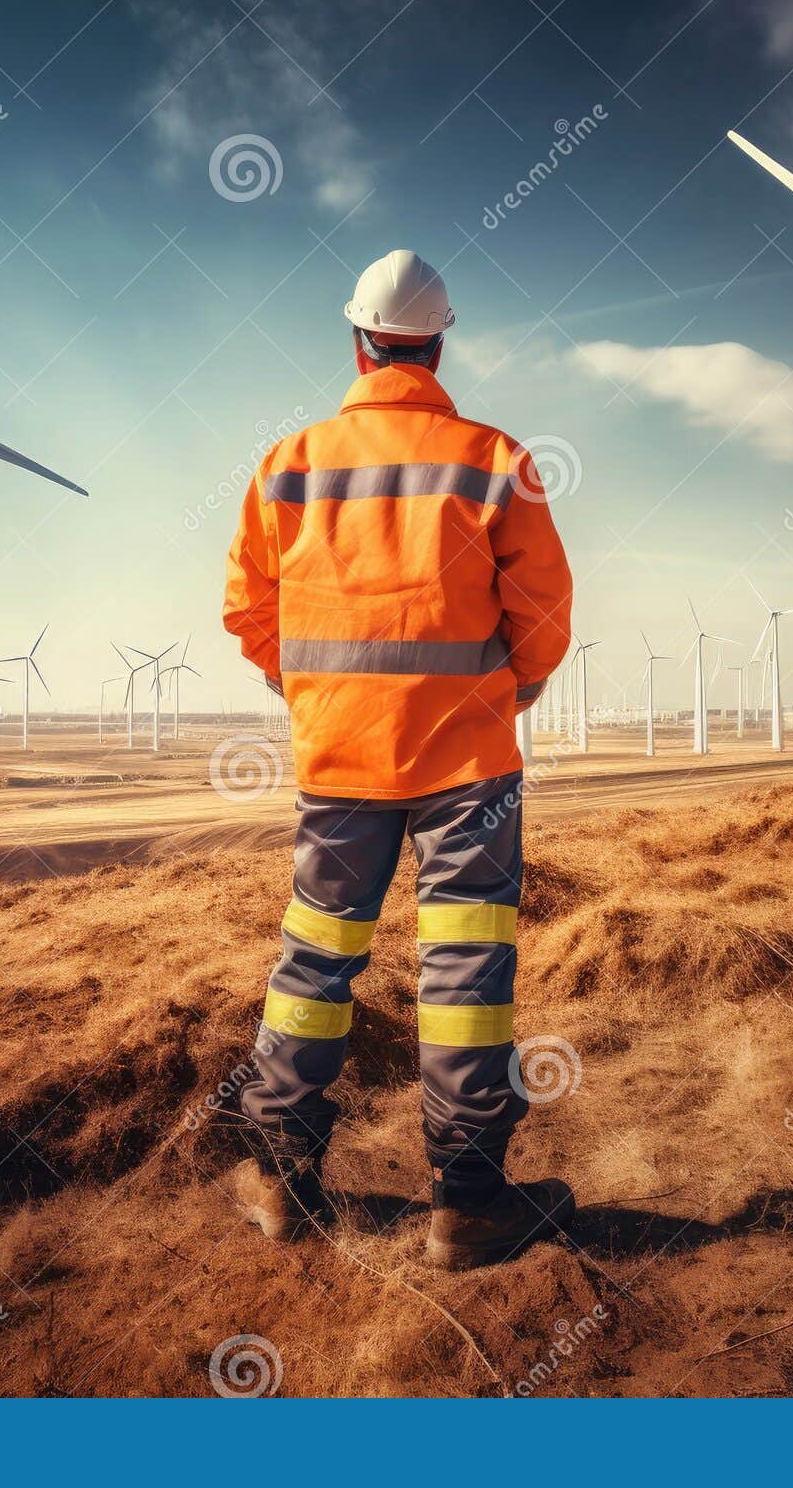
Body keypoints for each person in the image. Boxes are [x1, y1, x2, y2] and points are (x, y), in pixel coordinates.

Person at [221, 249, 575, 1269]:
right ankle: (464, 1208)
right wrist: (515, 684)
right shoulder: (493, 457)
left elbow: (249, 608)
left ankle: (284, 1186)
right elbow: (542, 612)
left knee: (314, 963)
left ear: (358, 339)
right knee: (465, 970)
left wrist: (316, 690)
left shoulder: (288, 462)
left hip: (338, 761)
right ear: (437, 340)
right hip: (468, 762)